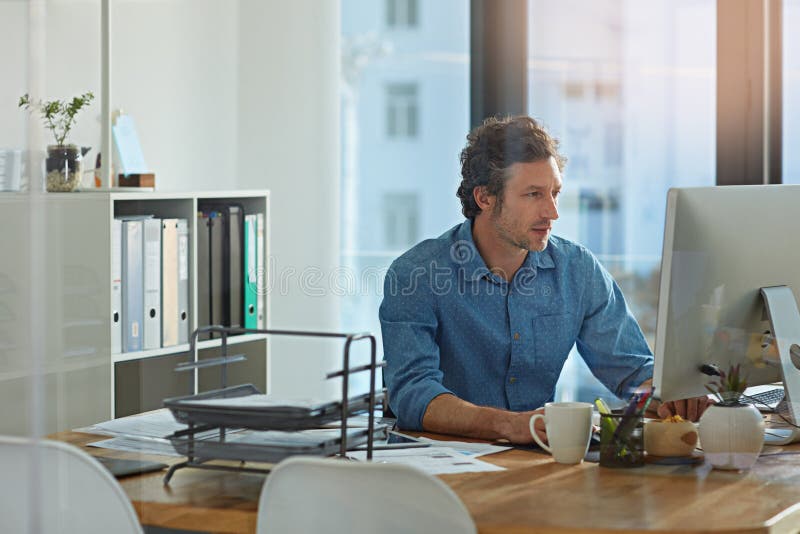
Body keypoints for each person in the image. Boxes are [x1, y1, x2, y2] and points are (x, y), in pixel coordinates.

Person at [379, 115, 710, 444]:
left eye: (554, 192)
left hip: (538, 460)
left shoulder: (577, 269)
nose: (552, 212)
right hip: (444, 469)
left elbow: (631, 369)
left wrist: (670, 394)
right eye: (534, 194)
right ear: (484, 198)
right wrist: (509, 425)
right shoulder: (417, 274)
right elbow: (412, 392)